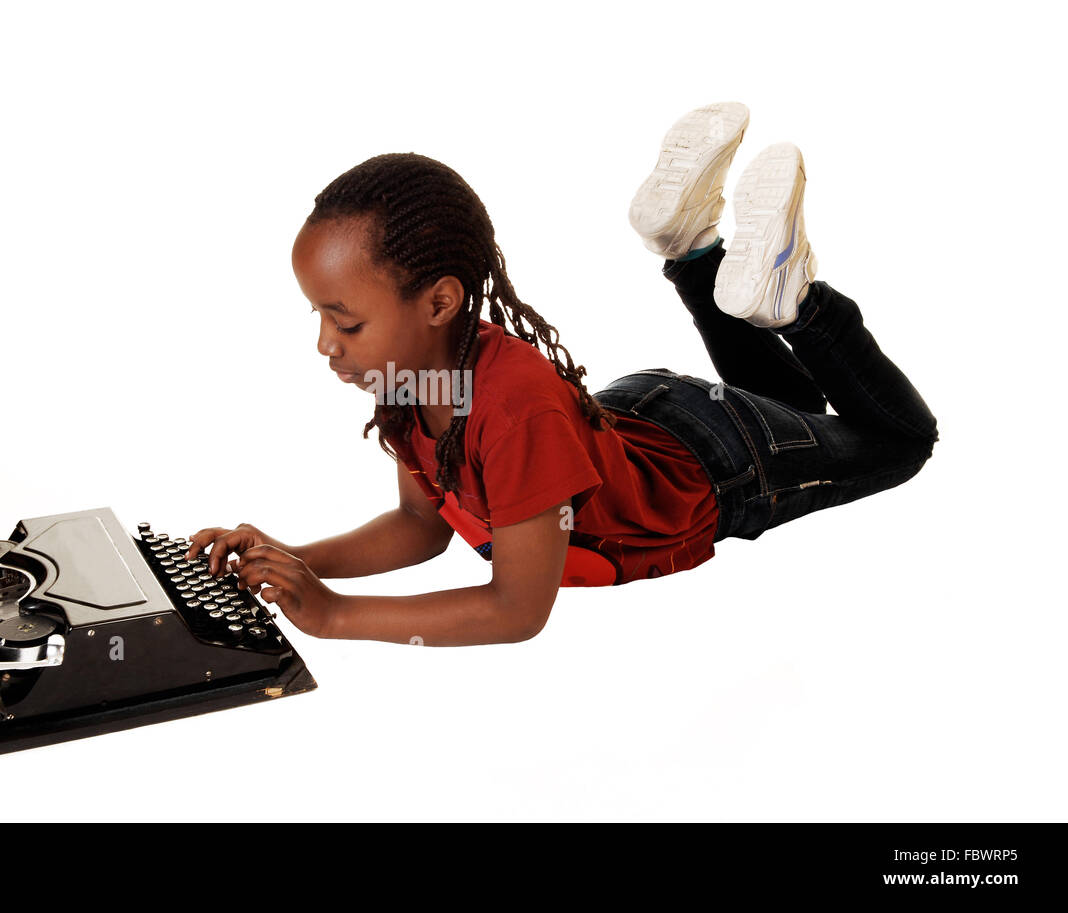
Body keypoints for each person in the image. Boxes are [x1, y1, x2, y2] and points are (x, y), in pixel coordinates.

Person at [185, 102, 940, 647]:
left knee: (900, 441)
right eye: (318, 316)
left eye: (345, 321)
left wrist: (336, 615)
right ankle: (697, 255)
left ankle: (797, 305)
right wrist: (290, 563)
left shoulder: (512, 413)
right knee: (791, 405)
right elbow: (423, 525)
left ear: (440, 300)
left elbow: (517, 607)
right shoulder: (418, 378)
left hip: (720, 467)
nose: (325, 344)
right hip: (644, 420)